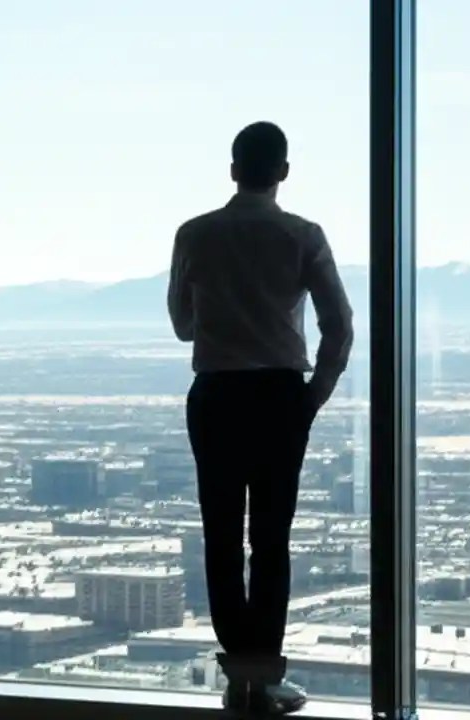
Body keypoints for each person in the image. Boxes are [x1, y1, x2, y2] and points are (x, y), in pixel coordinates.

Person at [167, 121, 354, 715]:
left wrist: (221, 325)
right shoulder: (303, 236)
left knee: (221, 535)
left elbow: (181, 324)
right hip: (279, 397)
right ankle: (262, 679)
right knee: (270, 539)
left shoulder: (195, 234)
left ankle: (240, 675)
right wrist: (315, 393)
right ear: (283, 171)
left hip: (217, 394)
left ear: (232, 170)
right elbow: (339, 325)